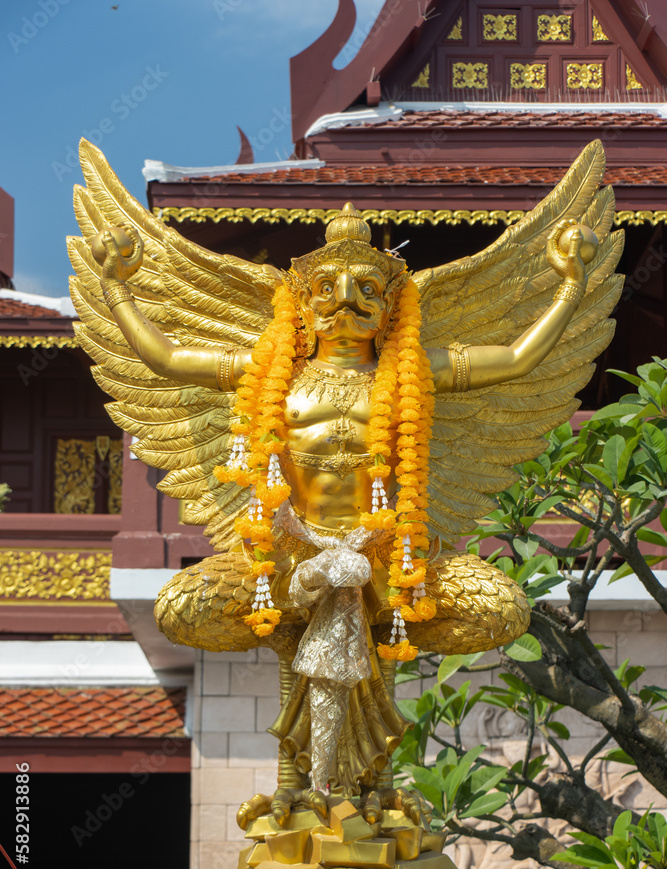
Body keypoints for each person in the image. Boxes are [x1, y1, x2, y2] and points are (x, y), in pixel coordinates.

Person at [95, 202, 591, 822]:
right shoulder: (269, 372)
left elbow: (518, 359)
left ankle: (376, 786)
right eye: (328, 289)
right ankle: (292, 785)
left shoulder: (415, 374)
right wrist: (116, 289)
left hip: (386, 558)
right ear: (302, 305)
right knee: (182, 610)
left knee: (501, 610)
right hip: (285, 557)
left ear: (391, 309)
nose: (347, 302)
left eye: (367, 291)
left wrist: (571, 286)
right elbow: (167, 359)